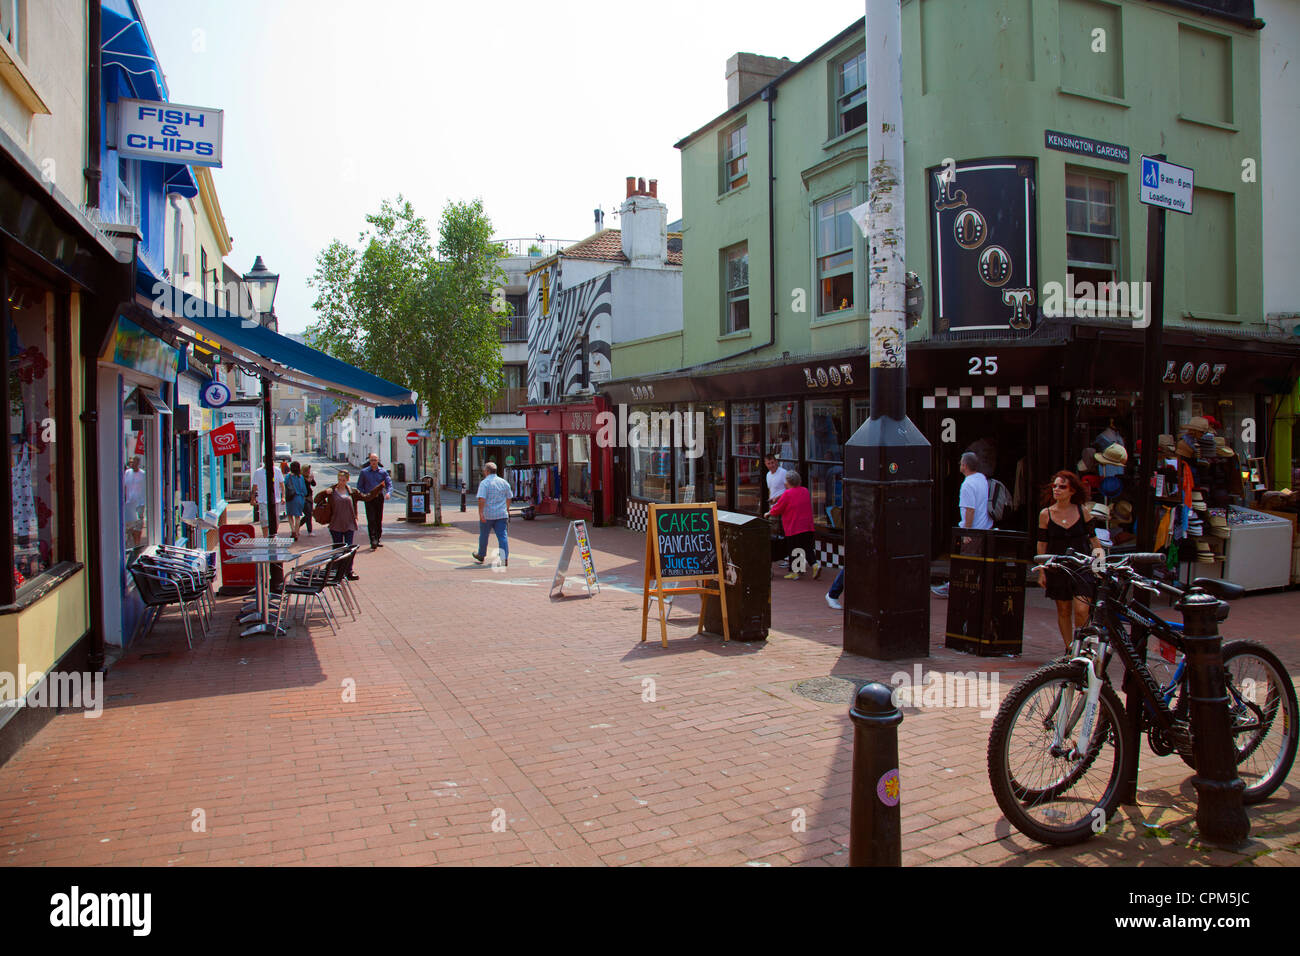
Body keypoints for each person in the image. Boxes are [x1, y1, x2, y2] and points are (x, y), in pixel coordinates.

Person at [1037, 470, 1106, 650]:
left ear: (1072, 491)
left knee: (1082, 610)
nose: (1057, 490)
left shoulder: (1082, 511)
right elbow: (1042, 545)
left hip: (1081, 567)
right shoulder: (1046, 514)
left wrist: (1100, 566)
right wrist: (1042, 570)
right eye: (1055, 486)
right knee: (1064, 609)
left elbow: (1095, 541)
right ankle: (1070, 649)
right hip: (1058, 568)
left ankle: (1082, 646)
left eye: (1062, 487)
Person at [933, 451, 993, 597]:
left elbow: (970, 510)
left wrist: (967, 532)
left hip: (974, 530)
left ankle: (955, 587)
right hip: (985, 527)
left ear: (965, 466)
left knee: (965, 561)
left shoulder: (967, 484)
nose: (959, 465)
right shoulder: (982, 478)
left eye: (961, 463)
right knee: (976, 561)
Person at [766, 471, 819, 580]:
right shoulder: (805, 491)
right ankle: (815, 564)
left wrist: (769, 513)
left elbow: (778, 508)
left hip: (794, 525)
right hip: (807, 525)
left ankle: (795, 572)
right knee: (806, 547)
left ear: (788, 482)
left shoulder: (788, 494)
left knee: (794, 548)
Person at [321, 469, 360, 580]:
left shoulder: (351, 491)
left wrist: (379, 488)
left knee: (349, 549)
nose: (341, 482)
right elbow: (317, 499)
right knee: (338, 548)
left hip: (349, 523)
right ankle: (336, 570)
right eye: (339, 480)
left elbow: (365, 497)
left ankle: (349, 571)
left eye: (343, 480)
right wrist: (325, 492)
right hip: (336, 524)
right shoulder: (332, 491)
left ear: (347, 480)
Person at [471, 462, 512, 567]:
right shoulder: (503, 482)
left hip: (488, 514)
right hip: (501, 514)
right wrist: (506, 508)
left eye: (485, 470)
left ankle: (481, 554)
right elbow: (509, 497)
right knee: (502, 536)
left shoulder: (485, 483)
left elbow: (482, 499)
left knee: (484, 535)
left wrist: (481, 513)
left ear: (487, 471)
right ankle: (504, 558)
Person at [355, 453, 392, 550]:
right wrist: (363, 494)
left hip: (379, 498)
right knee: (371, 519)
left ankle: (378, 538)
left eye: (375, 460)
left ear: (378, 461)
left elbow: (389, 484)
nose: (374, 462)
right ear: (369, 461)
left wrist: (388, 493)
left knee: (378, 519)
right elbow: (359, 486)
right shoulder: (364, 472)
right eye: (372, 460)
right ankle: (373, 540)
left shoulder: (383, 472)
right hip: (369, 497)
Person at [123, 456, 147, 546]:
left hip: (140, 502)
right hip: (129, 503)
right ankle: (133, 542)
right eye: (131, 462)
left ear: (138, 463)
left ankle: (137, 543)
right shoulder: (127, 473)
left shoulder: (143, 474)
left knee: (138, 523)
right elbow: (124, 486)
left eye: (134, 462)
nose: (132, 464)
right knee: (131, 524)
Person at [284, 461, 309, 540]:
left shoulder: (288, 476)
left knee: (290, 515)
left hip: (291, 498)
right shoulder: (301, 477)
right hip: (300, 498)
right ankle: (297, 532)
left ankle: (293, 530)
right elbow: (304, 490)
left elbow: (285, 485)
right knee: (297, 516)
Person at [301, 465, 317, 534]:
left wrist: (312, 479)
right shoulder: (301, 478)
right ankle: (309, 531)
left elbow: (314, 484)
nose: (308, 472)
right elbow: (305, 485)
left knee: (309, 513)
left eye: (309, 471)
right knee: (308, 513)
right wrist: (309, 480)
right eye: (307, 471)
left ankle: (298, 525)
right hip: (304, 498)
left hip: (309, 497)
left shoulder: (309, 477)